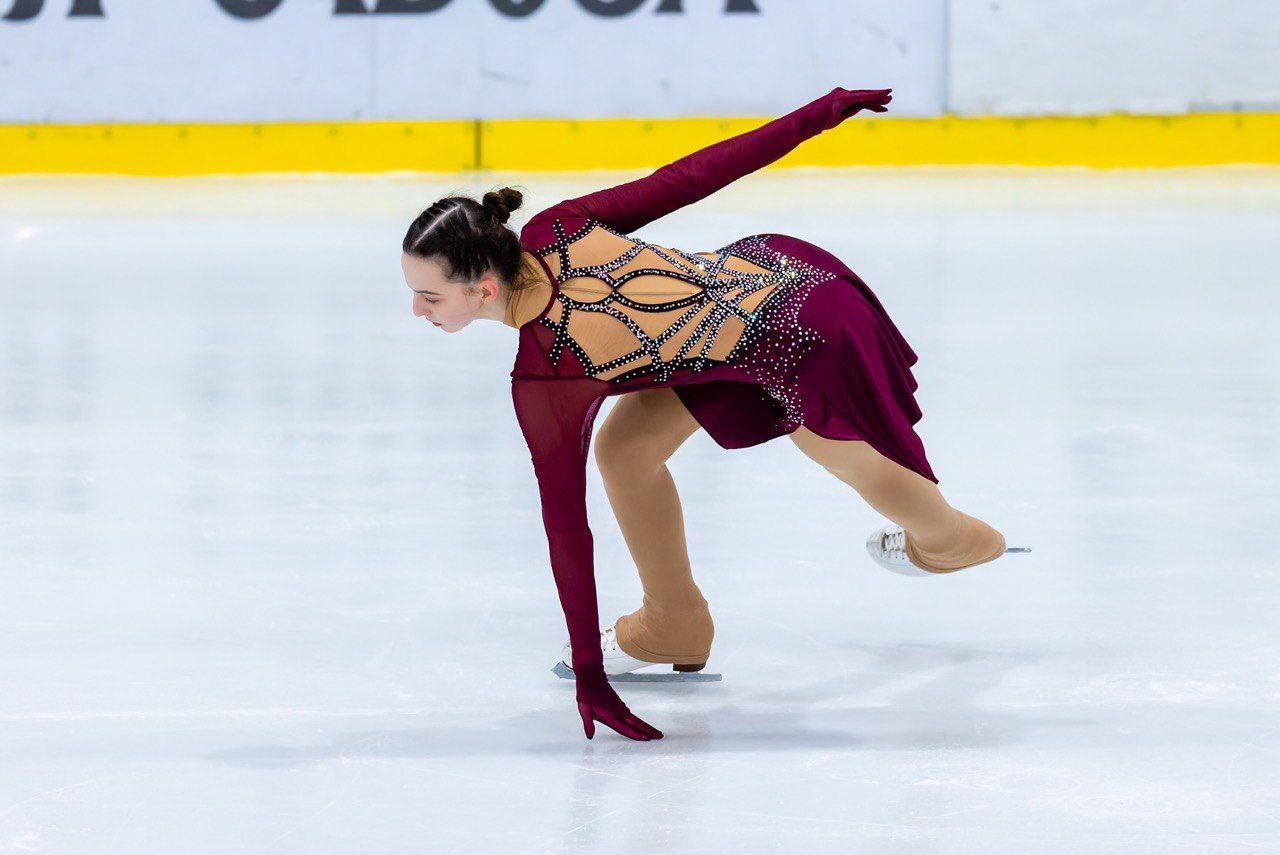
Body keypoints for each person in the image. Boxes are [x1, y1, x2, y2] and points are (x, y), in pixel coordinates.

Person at [400, 86, 1022, 742]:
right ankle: (673, 619)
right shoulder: (553, 229)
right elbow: (692, 175)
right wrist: (823, 110)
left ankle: (954, 538)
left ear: (485, 289)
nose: (418, 310)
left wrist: (590, 673)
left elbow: (567, 533)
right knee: (627, 450)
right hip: (773, 269)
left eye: (428, 296)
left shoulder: (546, 377)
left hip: (801, 334)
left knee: (840, 452)